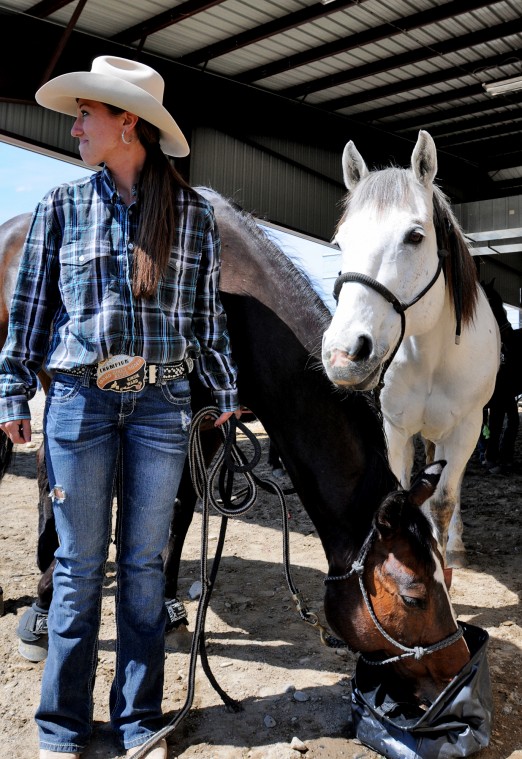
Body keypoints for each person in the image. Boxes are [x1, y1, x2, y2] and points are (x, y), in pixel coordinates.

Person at [0, 56, 241, 758]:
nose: (75, 125)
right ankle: (62, 727)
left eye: (86, 114)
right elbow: (32, 314)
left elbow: (207, 320)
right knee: (76, 570)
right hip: (80, 404)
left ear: (126, 121)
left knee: (143, 568)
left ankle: (138, 721)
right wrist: (13, 389)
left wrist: (224, 392)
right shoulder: (61, 207)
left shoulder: (192, 215)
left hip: (164, 407)